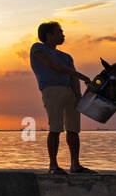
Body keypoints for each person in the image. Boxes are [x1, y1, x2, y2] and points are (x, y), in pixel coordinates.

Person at [30, 22, 93, 175]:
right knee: (55, 128)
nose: (63, 35)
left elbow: (72, 77)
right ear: (48, 35)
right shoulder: (38, 48)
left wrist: (78, 96)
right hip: (52, 90)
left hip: (69, 92)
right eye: (59, 32)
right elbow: (53, 66)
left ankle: (75, 164)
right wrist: (81, 75)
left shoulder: (66, 56)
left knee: (73, 129)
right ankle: (53, 165)